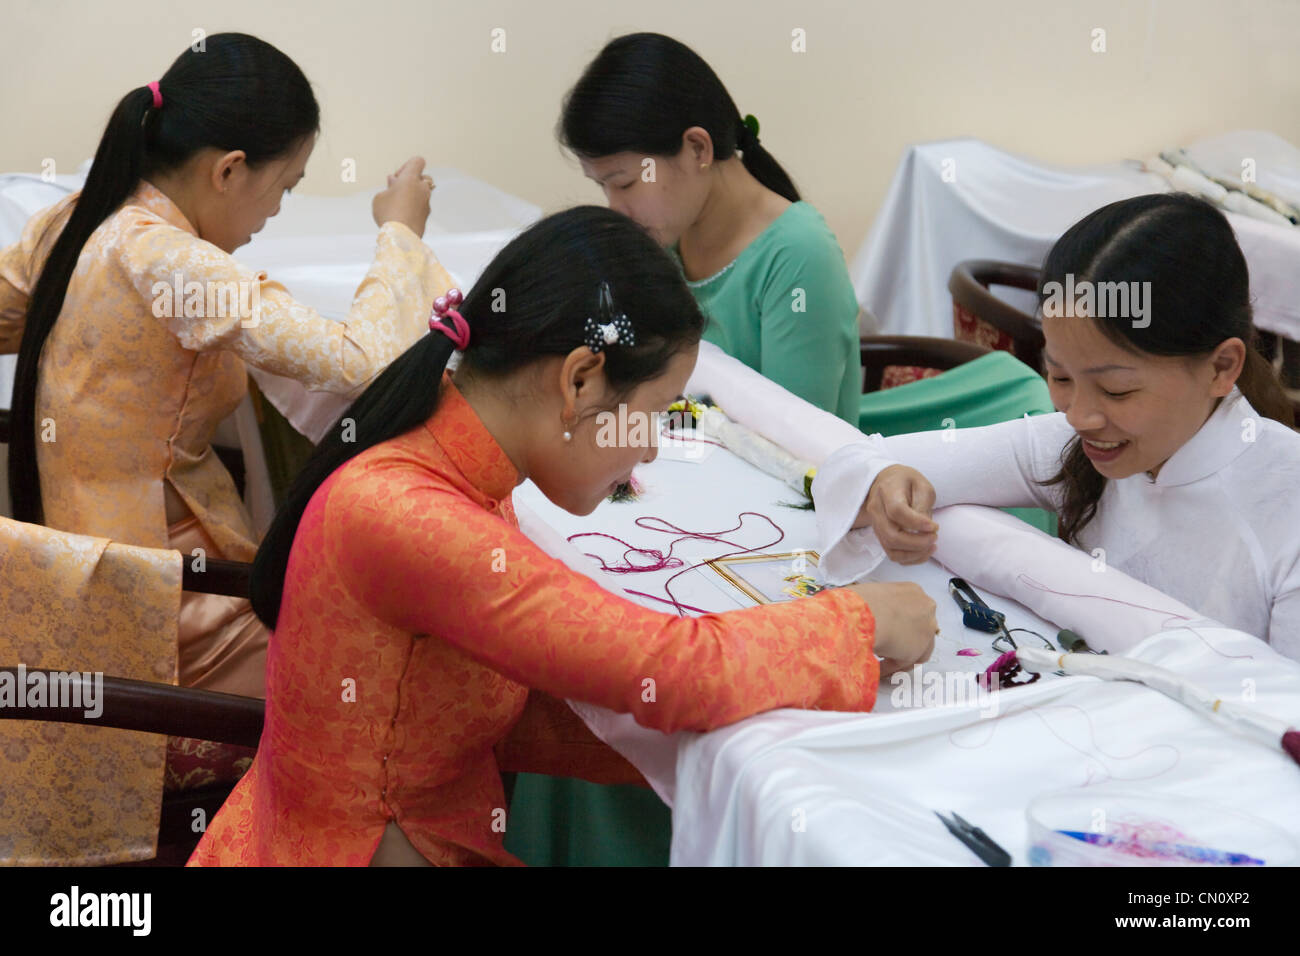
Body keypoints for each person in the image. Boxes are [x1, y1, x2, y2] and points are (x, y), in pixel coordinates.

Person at [187, 206, 938, 866]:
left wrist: (714, 725)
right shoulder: (408, 513)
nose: (648, 449)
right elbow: (668, 668)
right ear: (580, 380)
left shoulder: (450, 455)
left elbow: (496, 703)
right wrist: (861, 619)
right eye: (653, 412)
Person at [0, 33, 450, 700]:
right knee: (419, 670)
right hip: (168, 612)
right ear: (230, 169)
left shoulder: (80, 217)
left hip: (79, 587)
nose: (272, 213)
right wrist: (401, 232)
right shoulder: (167, 259)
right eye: (285, 189)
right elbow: (366, 361)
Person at [815, 193, 1300, 660]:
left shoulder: (1284, 507)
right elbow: (854, 461)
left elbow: (1282, 714)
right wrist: (884, 490)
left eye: (1116, 390)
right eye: (1060, 376)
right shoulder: (1069, 446)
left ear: (1221, 368)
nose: (1078, 415)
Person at [559, 32, 862, 424]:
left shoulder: (799, 257)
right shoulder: (666, 238)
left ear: (698, 149)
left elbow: (800, 444)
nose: (617, 208)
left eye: (625, 183)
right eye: (604, 187)